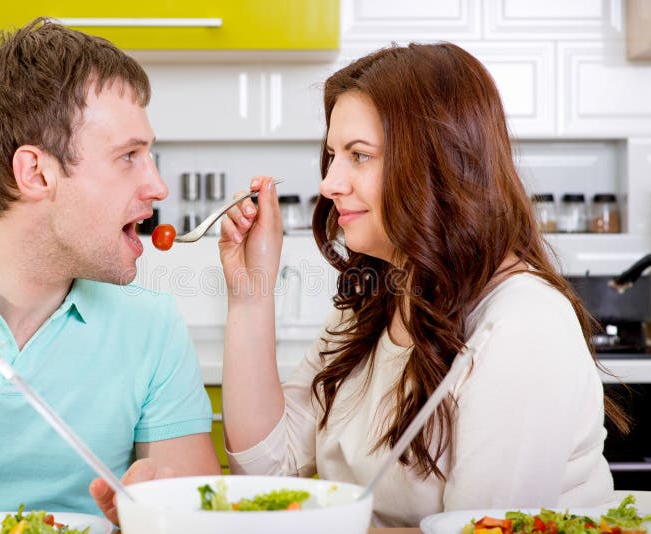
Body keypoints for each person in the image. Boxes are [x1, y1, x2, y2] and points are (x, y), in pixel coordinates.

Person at [217, 43, 627, 527]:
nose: (329, 184)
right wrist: (251, 291)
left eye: (359, 156)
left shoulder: (523, 325)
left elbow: (476, 531)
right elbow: (267, 475)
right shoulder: (376, 300)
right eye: (332, 155)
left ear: (439, 165)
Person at [0, 18, 220, 523]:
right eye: (129, 157)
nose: (158, 187)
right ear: (36, 173)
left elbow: (197, 525)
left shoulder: (153, 326)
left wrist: (159, 515)